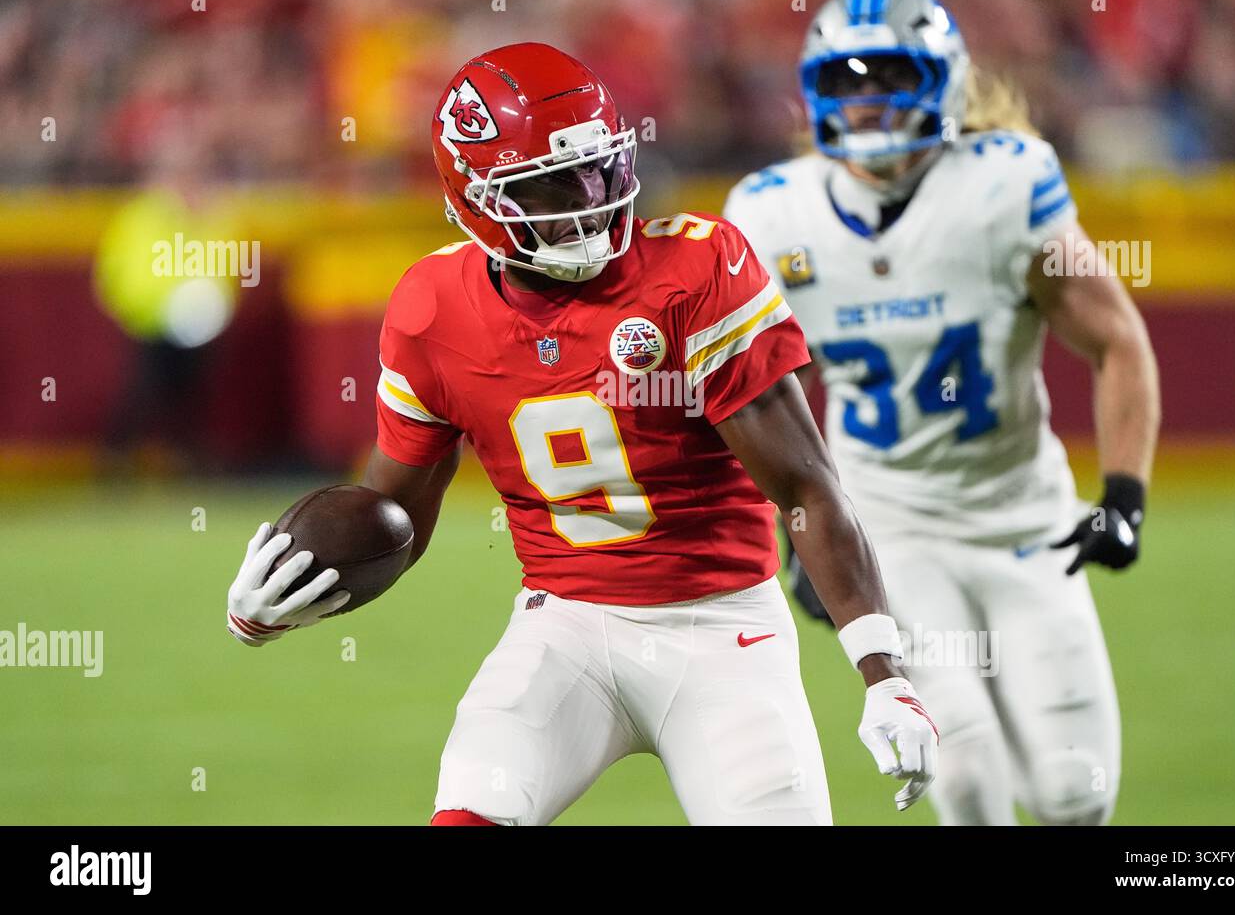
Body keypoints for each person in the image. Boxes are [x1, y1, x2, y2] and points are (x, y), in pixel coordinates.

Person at [224, 42, 938, 826]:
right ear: (475, 200)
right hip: (565, 625)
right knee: (470, 813)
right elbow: (388, 519)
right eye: (552, 184)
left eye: (598, 170)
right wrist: (286, 593)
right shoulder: (433, 308)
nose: (590, 202)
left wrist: (884, 673)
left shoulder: (697, 268)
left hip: (725, 628)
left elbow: (806, 488)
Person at [723, 0, 1160, 826]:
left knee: (1078, 793)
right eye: (845, 79)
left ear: (942, 79)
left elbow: (1117, 340)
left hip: (1025, 522)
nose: (867, 100)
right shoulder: (776, 213)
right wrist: (805, 535)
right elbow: (749, 396)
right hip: (892, 527)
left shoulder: (1004, 185)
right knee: (961, 775)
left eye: (886, 74)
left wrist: (1126, 498)